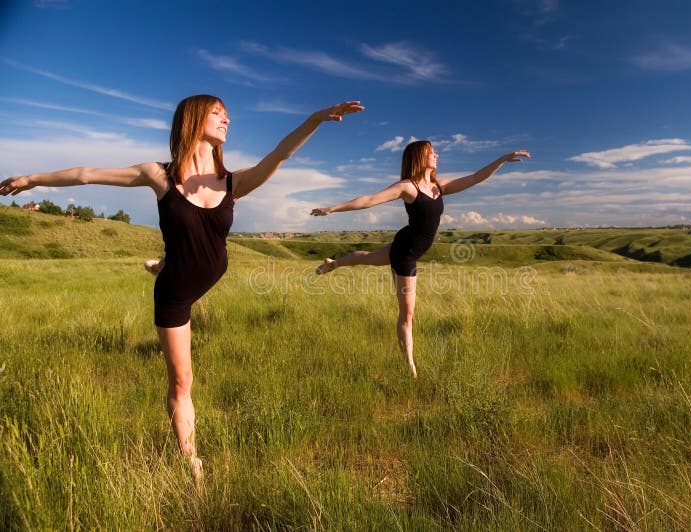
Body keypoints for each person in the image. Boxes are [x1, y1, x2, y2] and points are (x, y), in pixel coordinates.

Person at [0, 95, 364, 484]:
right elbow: (88, 174)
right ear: (193, 119)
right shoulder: (159, 175)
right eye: (217, 112)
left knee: (178, 261)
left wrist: (315, 118)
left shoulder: (234, 182)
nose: (227, 118)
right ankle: (192, 463)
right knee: (182, 380)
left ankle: (161, 263)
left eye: (227, 113)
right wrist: (31, 179)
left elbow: (280, 155)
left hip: (206, 272)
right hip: (176, 295)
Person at [311, 140, 529, 378]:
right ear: (419, 157)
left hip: (408, 246)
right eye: (431, 152)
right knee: (407, 314)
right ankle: (410, 368)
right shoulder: (408, 187)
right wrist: (332, 208)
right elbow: (370, 199)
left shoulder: (438, 186)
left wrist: (501, 160)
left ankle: (333, 263)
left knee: (369, 257)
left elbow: (476, 177)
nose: (436, 154)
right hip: (406, 254)